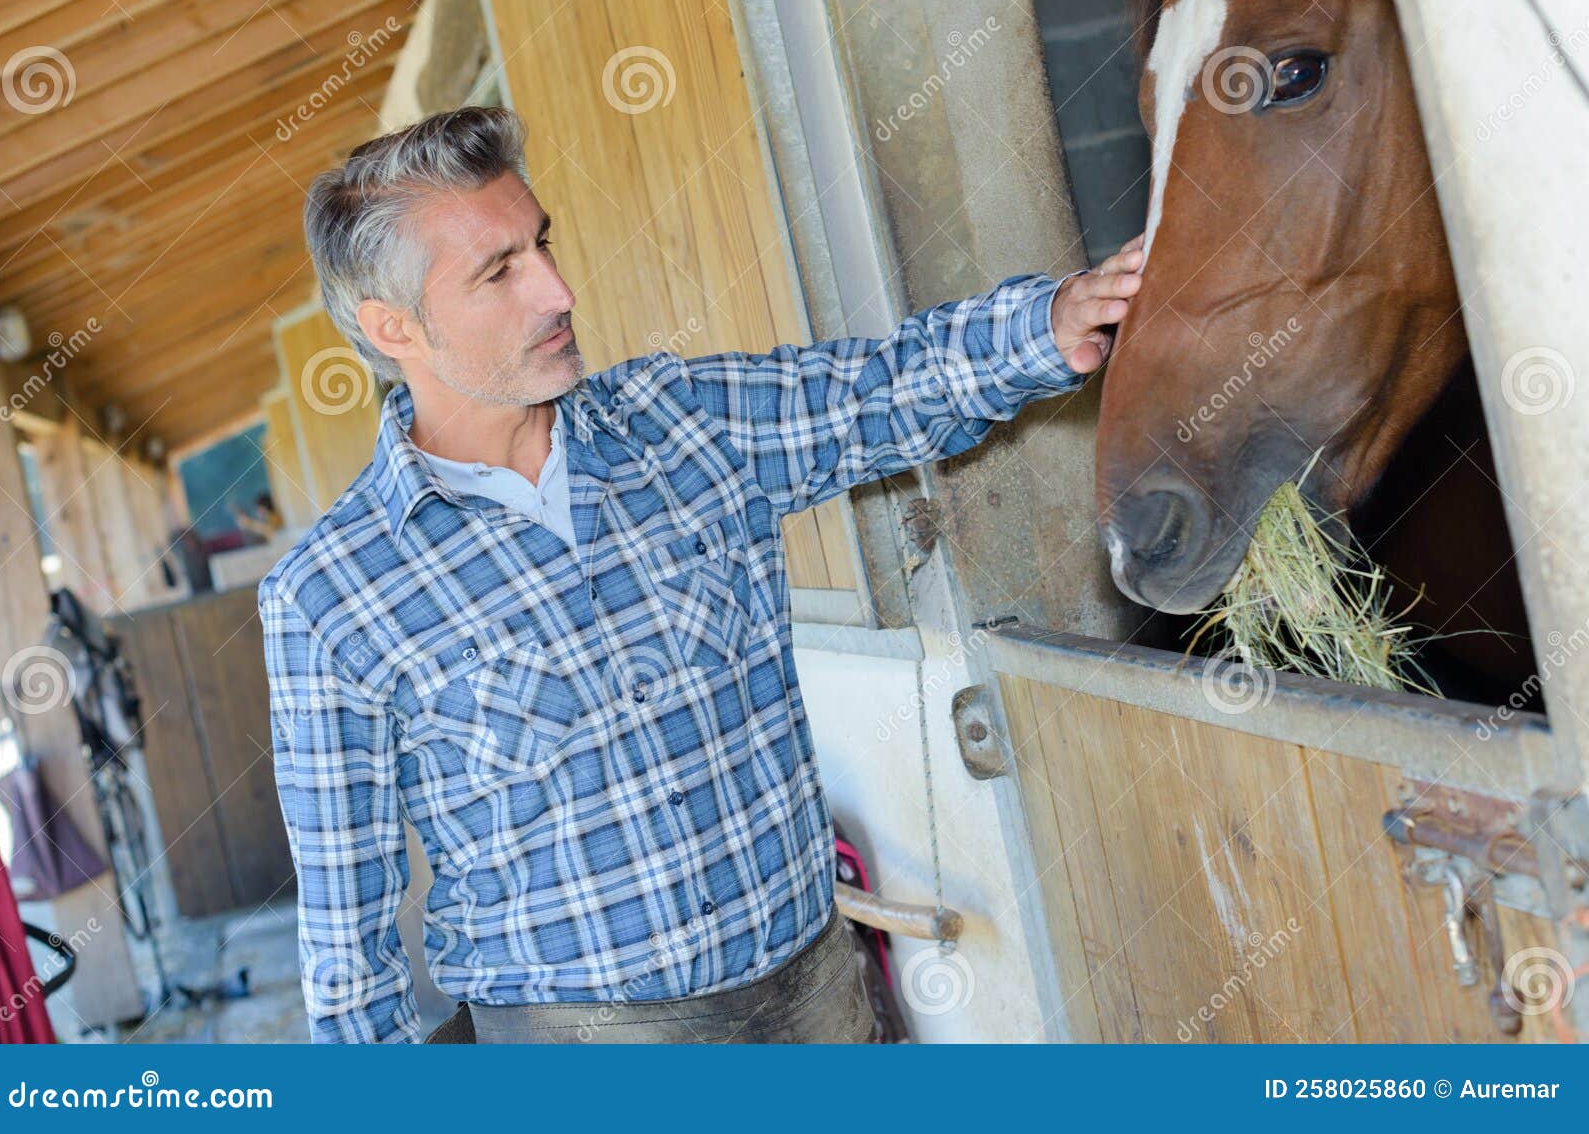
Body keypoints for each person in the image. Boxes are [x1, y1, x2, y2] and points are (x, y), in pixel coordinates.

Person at [258, 106, 1144, 1044]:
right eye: (500, 272)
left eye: (541, 245)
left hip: (819, 1015)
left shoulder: (681, 421)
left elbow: (878, 391)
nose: (558, 291)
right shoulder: (330, 596)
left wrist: (1049, 324)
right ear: (394, 327)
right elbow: (347, 943)